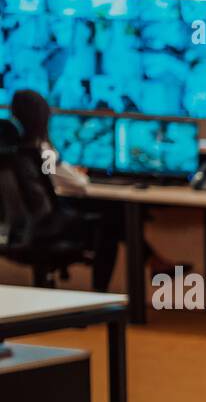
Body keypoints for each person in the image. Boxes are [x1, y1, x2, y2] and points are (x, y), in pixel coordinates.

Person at [9, 90, 175, 292]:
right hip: (48, 226)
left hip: (20, 226)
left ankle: (155, 262)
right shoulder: (42, 152)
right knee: (112, 223)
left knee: (114, 218)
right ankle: (101, 297)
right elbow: (78, 184)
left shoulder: (12, 151)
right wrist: (78, 174)